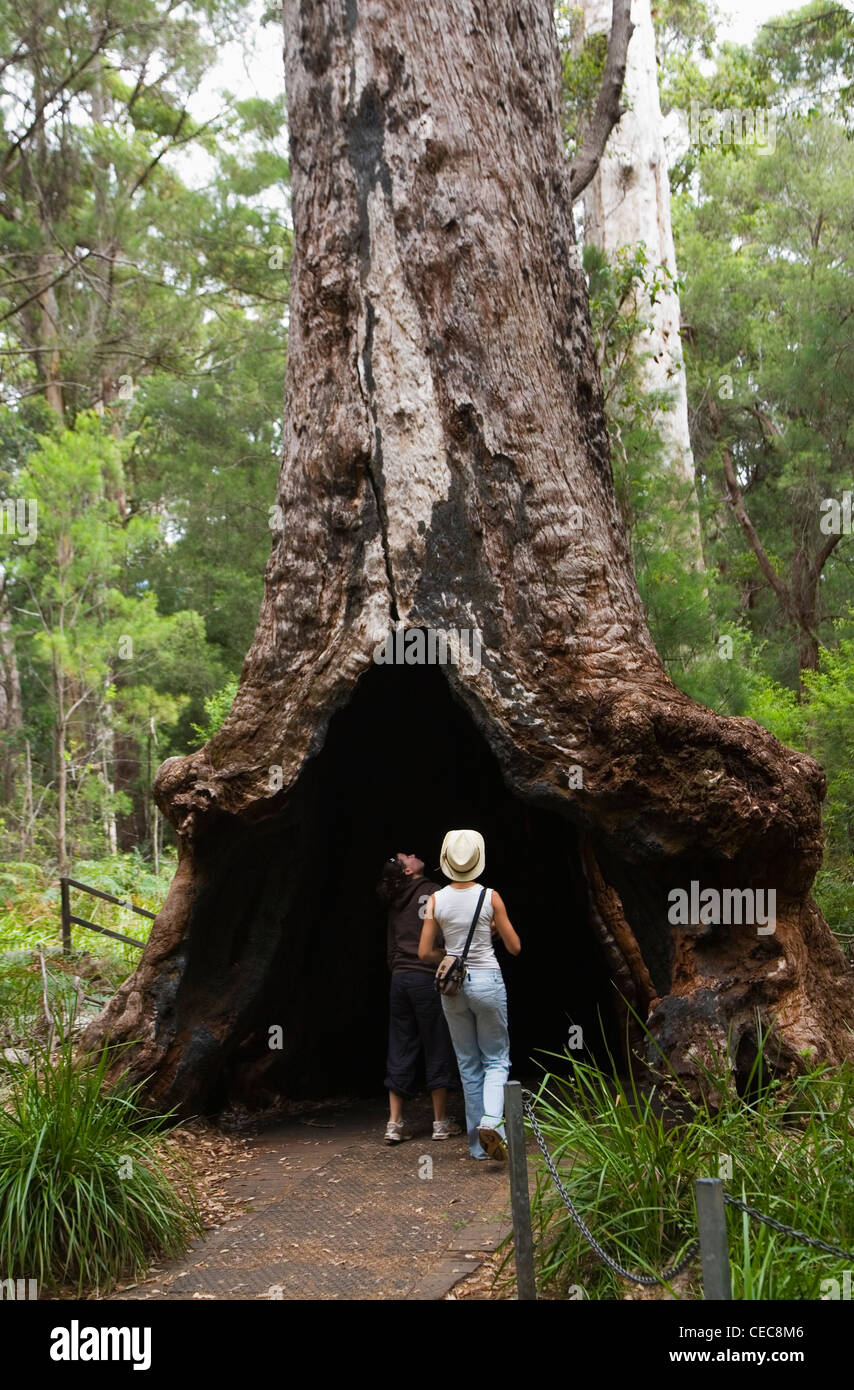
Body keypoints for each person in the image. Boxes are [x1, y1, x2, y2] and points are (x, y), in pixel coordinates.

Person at [418, 829, 521, 1160]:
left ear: (447, 862)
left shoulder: (436, 900)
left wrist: (449, 957)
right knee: (496, 1059)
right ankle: (492, 1122)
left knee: (468, 1064)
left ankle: (478, 1148)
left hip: (452, 986)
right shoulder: (491, 897)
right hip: (487, 981)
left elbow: (424, 952)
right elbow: (515, 947)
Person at [377, 852, 461, 1145]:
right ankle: (440, 1122)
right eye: (406, 857)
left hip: (399, 980)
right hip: (426, 977)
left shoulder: (395, 900)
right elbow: (447, 935)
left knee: (400, 1043)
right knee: (436, 1041)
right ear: (408, 871)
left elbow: (390, 947)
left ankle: (394, 1123)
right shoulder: (433, 892)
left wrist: (400, 967)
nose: (413, 855)